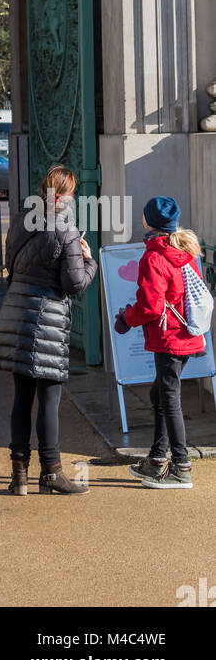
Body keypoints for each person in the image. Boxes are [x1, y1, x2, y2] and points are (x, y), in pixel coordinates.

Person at [0, 166, 97, 496]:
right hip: (47, 319)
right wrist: (89, 260)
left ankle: (19, 475)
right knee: (49, 399)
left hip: (16, 314)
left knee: (22, 398)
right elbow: (74, 283)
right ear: (64, 196)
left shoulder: (22, 220)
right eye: (72, 194)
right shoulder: (67, 229)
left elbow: (10, 265)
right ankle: (52, 472)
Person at [117, 197, 206, 488]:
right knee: (160, 394)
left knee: (168, 399)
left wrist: (126, 318)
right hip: (186, 335)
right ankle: (156, 459)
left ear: (147, 221)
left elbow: (150, 307)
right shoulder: (183, 251)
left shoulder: (154, 257)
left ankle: (181, 467)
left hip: (169, 338)